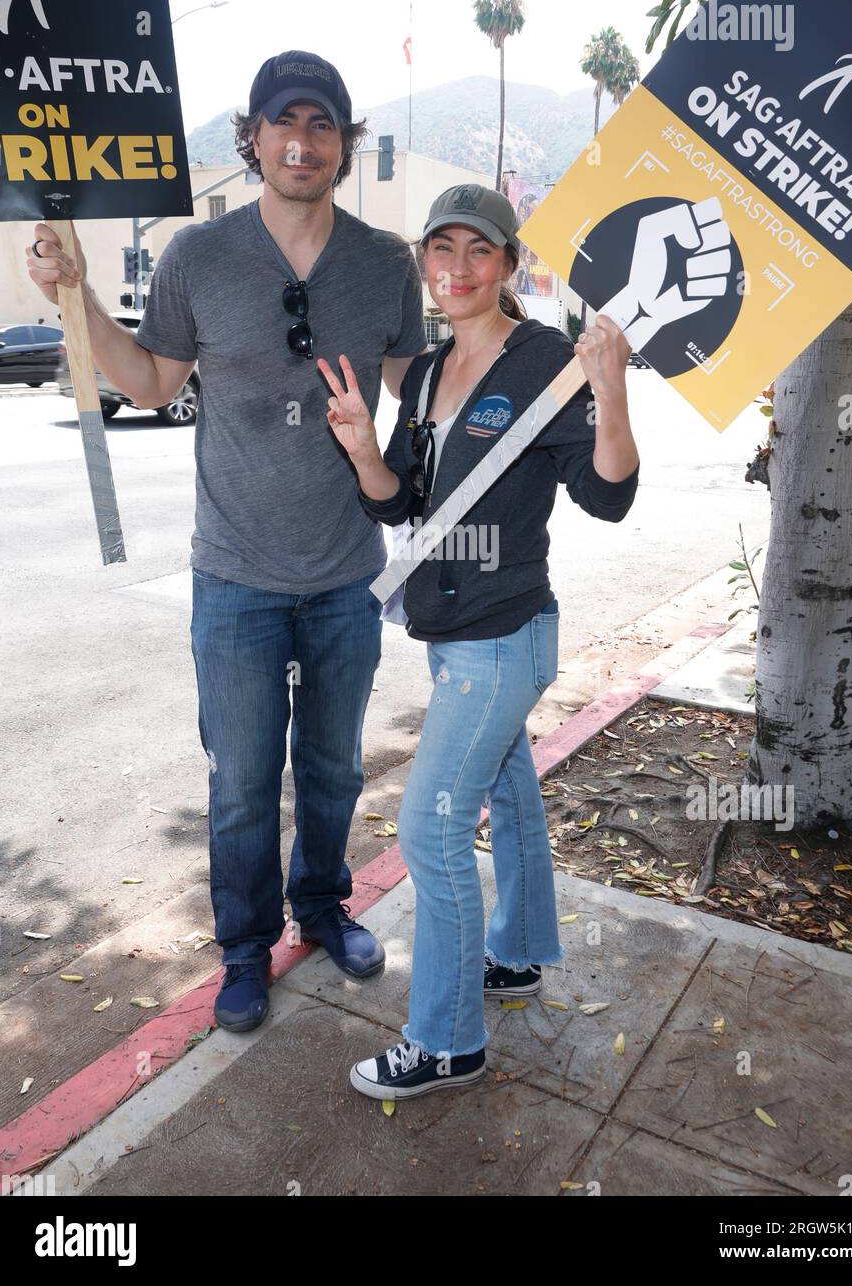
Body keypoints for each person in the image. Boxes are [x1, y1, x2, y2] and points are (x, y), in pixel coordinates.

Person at [25, 51, 429, 1034]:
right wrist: (74, 299)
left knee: (332, 770)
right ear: (251, 138)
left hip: (345, 577)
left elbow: (424, 394)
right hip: (235, 580)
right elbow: (153, 385)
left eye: (323, 122)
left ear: (344, 141)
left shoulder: (383, 262)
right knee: (243, 785)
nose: (303, 140)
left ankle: (323, 905)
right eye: (283, 122)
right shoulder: (197, 257)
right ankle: (244, 951)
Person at [316, 183, 640, 1098]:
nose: (456, 269)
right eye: (441, 249)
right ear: (425, 261)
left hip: (503, 637)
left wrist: (610, 389)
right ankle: (520, 956)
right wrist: (357, 445)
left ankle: (447, 1039)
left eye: (478, 252)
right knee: (510, 794)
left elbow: (607, 494)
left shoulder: (544, 360)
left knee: (429, 825)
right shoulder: (421, 372)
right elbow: (402, 504)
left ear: (506, 265)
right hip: (452, 631)